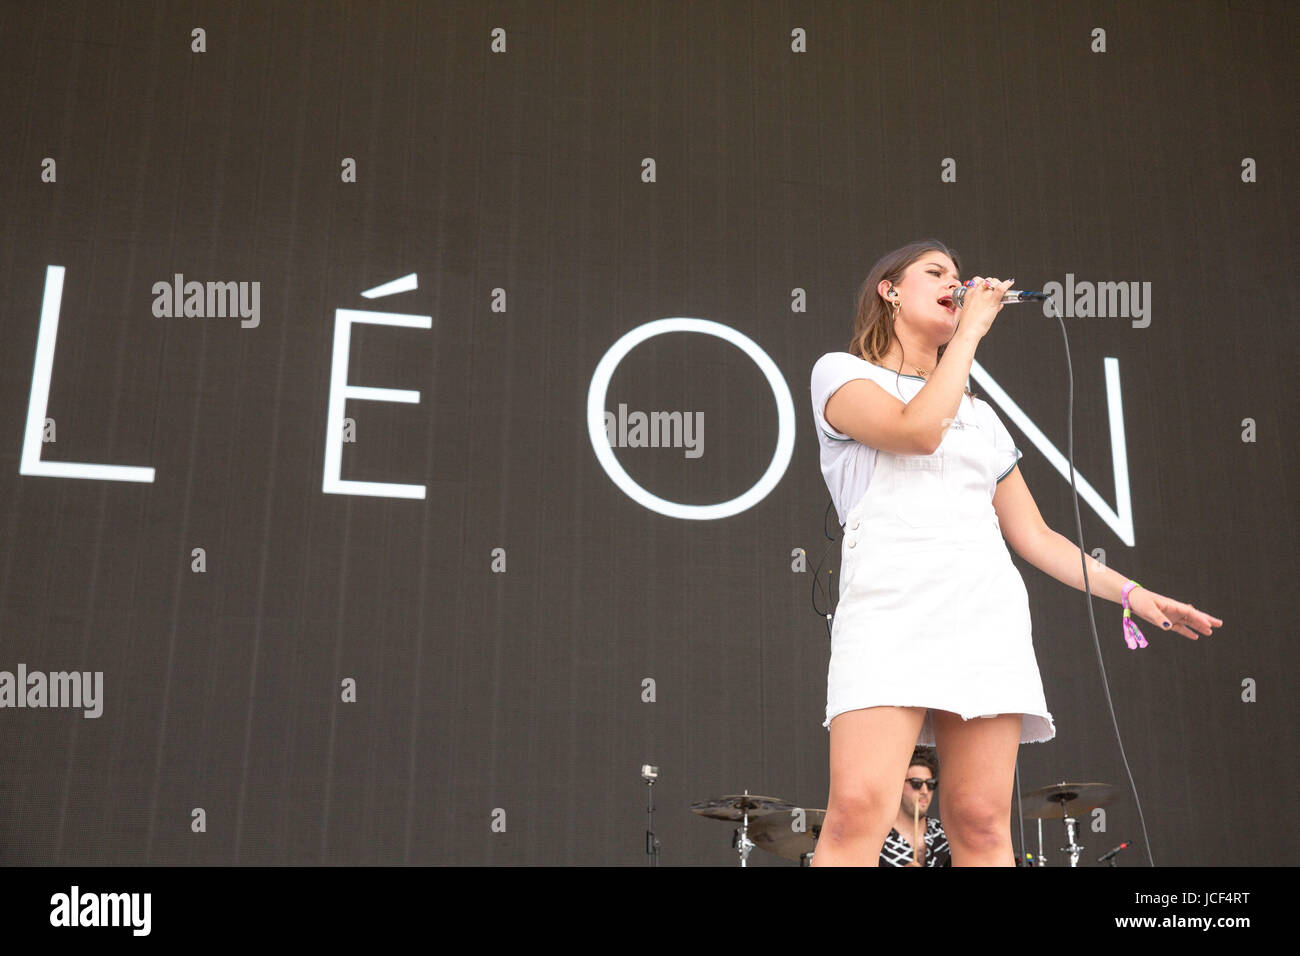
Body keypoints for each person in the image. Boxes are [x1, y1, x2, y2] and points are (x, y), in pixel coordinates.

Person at [807, 239, 1223, 867]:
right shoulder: (841, 373)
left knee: (980, 821)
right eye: (936, 273)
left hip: (983, 612)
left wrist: (1135, 594)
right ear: (889, 290)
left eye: (959, 275)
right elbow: (916, 432)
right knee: (859, 810)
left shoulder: (980, 415)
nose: (956, 282)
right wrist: (970, 329)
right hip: (889, 608)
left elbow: (1036, 537)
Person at [879, 748, 951, 867]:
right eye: (916, 783)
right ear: (898, 785)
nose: (924, 790)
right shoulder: (879, 837)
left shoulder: (945, 834)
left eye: (930, 784)